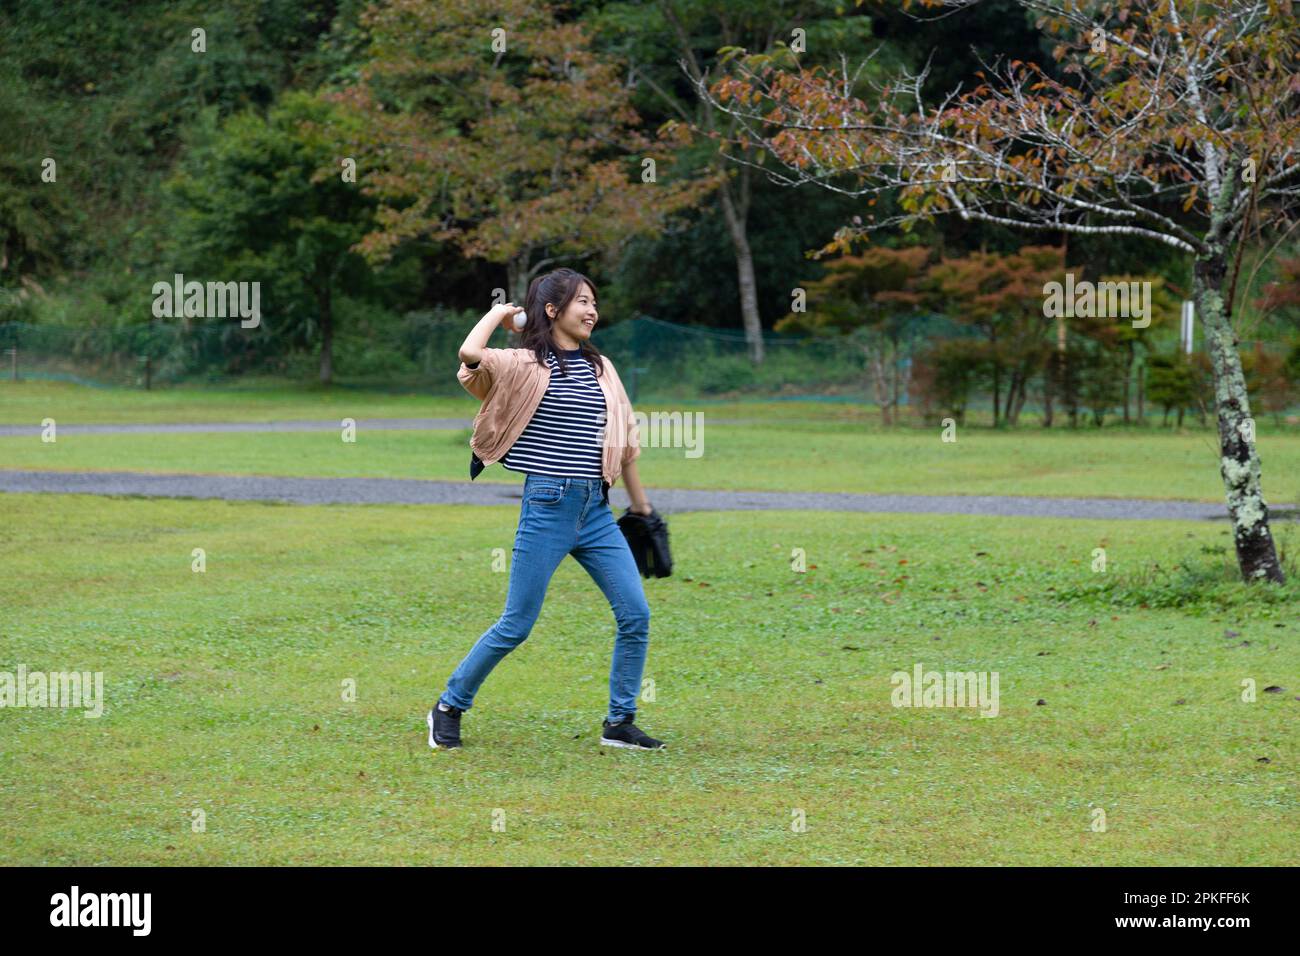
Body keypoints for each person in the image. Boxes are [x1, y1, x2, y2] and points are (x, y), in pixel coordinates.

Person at [428, 268, 666, 751]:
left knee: (635, 614)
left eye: (595, 301)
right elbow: (470, 355)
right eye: (582, 301)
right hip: (548, 504)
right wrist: (502, 313)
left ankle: (620, 722)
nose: (593, 310)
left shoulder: (602, 367)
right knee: (517, 623)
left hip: (595, 510)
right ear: (553, 310)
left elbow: (625, 443)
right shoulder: (523, 363)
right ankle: (448, 706)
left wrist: (642, 511)